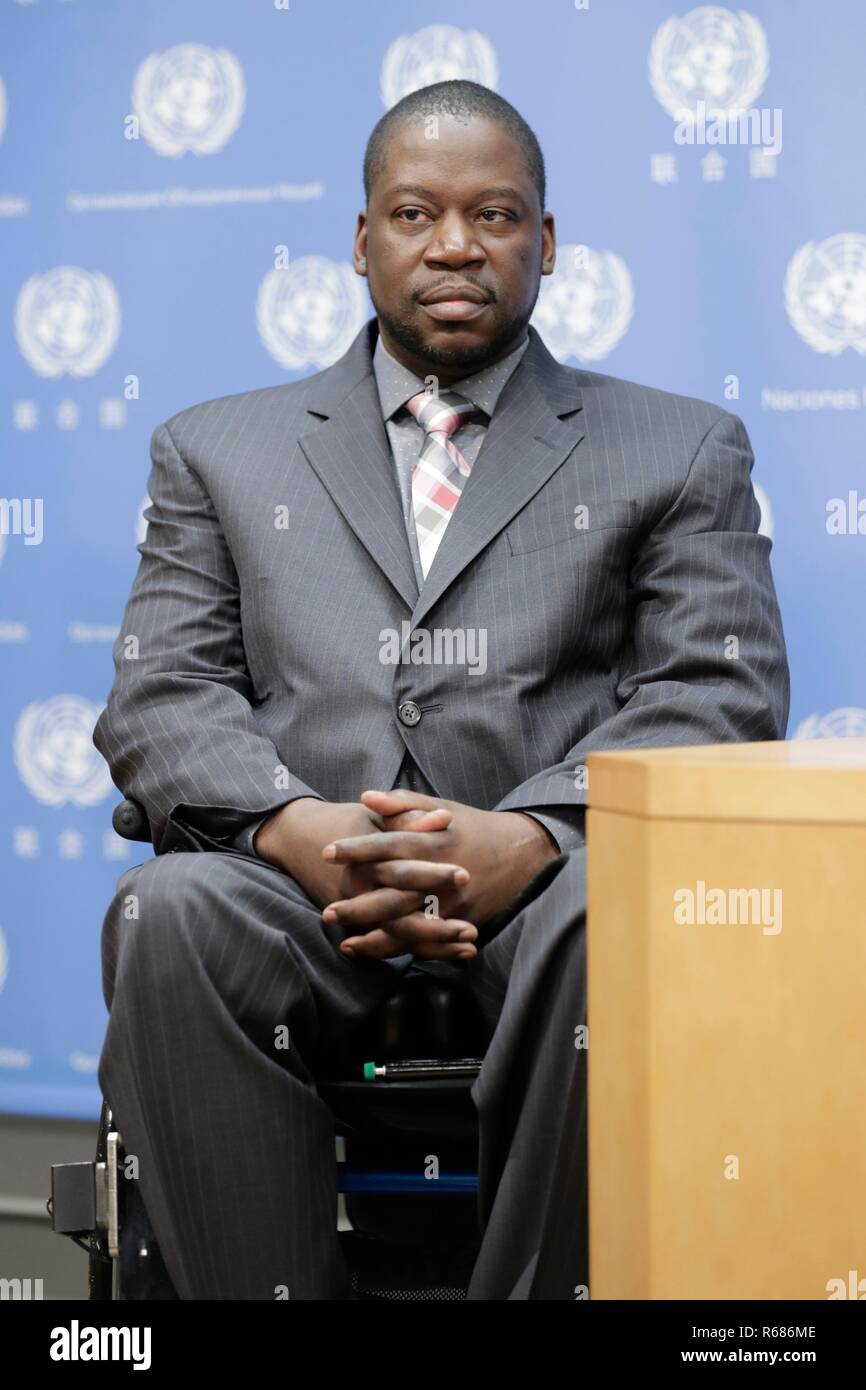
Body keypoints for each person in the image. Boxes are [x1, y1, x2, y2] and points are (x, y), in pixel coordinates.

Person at [93, 79, 790, 1300]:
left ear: (548, 243)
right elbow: (163, 699)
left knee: (604, 914)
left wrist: (526, 837)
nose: (455, 244)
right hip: (294, 895)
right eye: (415, 214)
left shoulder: (677, 448)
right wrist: (297, 831)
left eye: (496, 214)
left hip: (544, 909)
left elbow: (714, 694)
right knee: (170, 912)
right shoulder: (215, 448)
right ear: (362, 243)